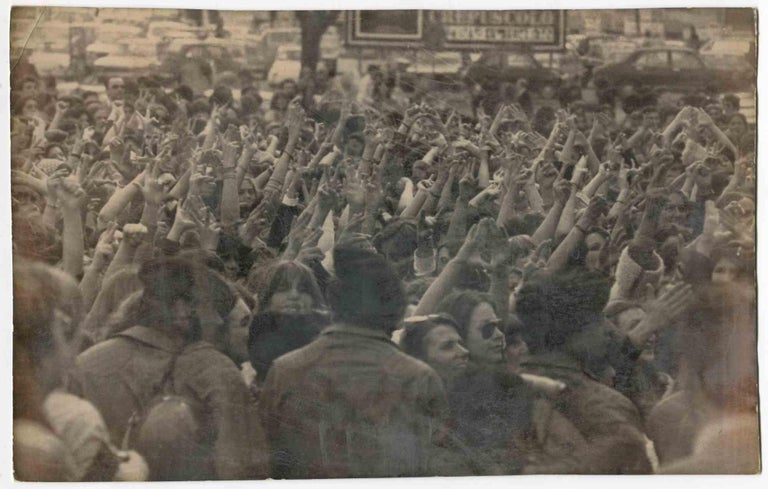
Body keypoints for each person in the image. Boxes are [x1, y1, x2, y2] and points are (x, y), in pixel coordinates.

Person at [67, 257, 269, 480]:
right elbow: (242, 470)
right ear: (182, 309)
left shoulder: (85, 363)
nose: (219, 322)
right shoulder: (216, 371)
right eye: (215, 311)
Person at [259, 245, 448, 478]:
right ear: (395, 308)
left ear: (334, 301)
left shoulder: (284, 370)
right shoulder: (418, 377)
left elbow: (268, 461)